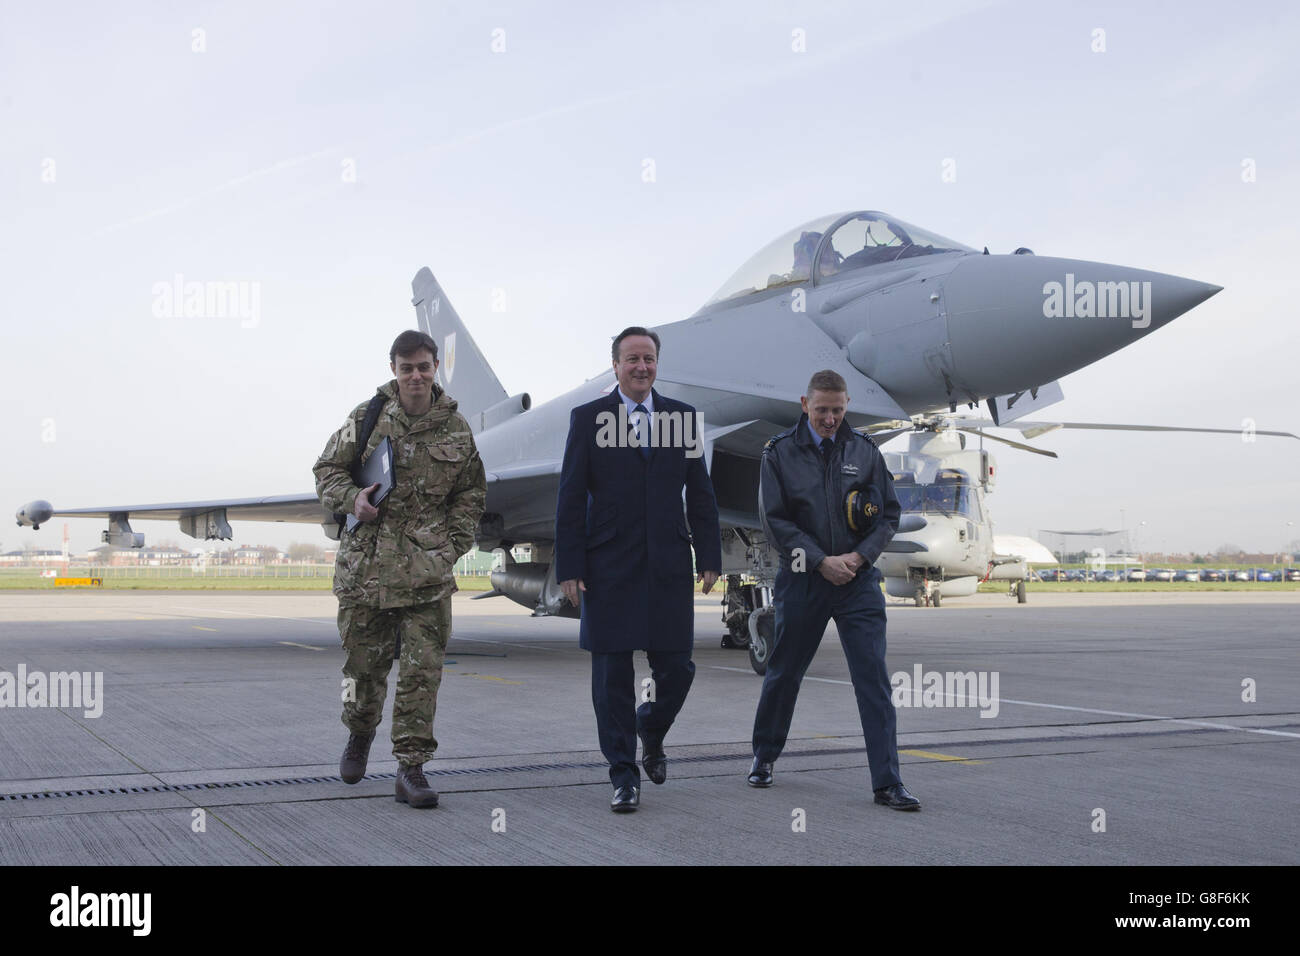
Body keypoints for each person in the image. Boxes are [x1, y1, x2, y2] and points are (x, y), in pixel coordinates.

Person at [313, 329, 486, 809]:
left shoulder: (456, 429)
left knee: (421, 675)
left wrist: (449, 547)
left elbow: (471, 494)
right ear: (394, 369)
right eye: (407, 368)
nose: (415, 376)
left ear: (435, 369)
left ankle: (411, 769)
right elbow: (326, 470)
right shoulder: (367, 417)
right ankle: (359, 733)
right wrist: (353, 499)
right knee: (362, 671)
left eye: (423, 367)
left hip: (427, 575)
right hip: (365, 572)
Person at [554, 326, 722, 813]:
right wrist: (570, 565)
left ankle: (650, 726)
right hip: (608, 565)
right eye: (632, 359)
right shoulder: (589, 419)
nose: (642, 367)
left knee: (678, 668)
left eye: (648, 358)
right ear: (616, 365)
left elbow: (701, 492)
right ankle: (624, 775)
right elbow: (570, 496)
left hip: (668, 562)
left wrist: (710, 555)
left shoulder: (682, 419)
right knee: (611, 675)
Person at [747, 369, 921, 811]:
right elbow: (774, 520)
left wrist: (858, 559)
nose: (830, 419)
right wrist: (821, 561)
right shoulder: (779, 453)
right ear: (805, 404)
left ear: (847, 406)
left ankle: (888, 782)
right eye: (822, 410)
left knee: (873, 679)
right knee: (784, 672)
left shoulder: (865, 451)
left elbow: (888, 514)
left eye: (838, 411)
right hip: (803, 578)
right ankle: (764, 756)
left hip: (857, 582)